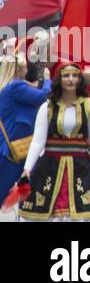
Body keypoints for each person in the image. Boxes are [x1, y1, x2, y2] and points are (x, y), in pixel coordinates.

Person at [18, 61, 90, 221]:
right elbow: (38, 141)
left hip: (80, 167)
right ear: (59, 79)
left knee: (79, 213)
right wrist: (27, 168)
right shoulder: (48, 107)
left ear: (80, 79)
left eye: (74, 75)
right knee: (49, 212)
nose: (71, 79)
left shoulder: (89, 106)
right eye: (66, 76)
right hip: (50, 166)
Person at [0, 51, 50, 204]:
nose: (27, 72)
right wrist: (47, 79)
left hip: (10, 142)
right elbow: (43, 96)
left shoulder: (8, 85)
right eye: (25, 69)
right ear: (18, 70)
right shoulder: (16, 86)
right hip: (16, 144)